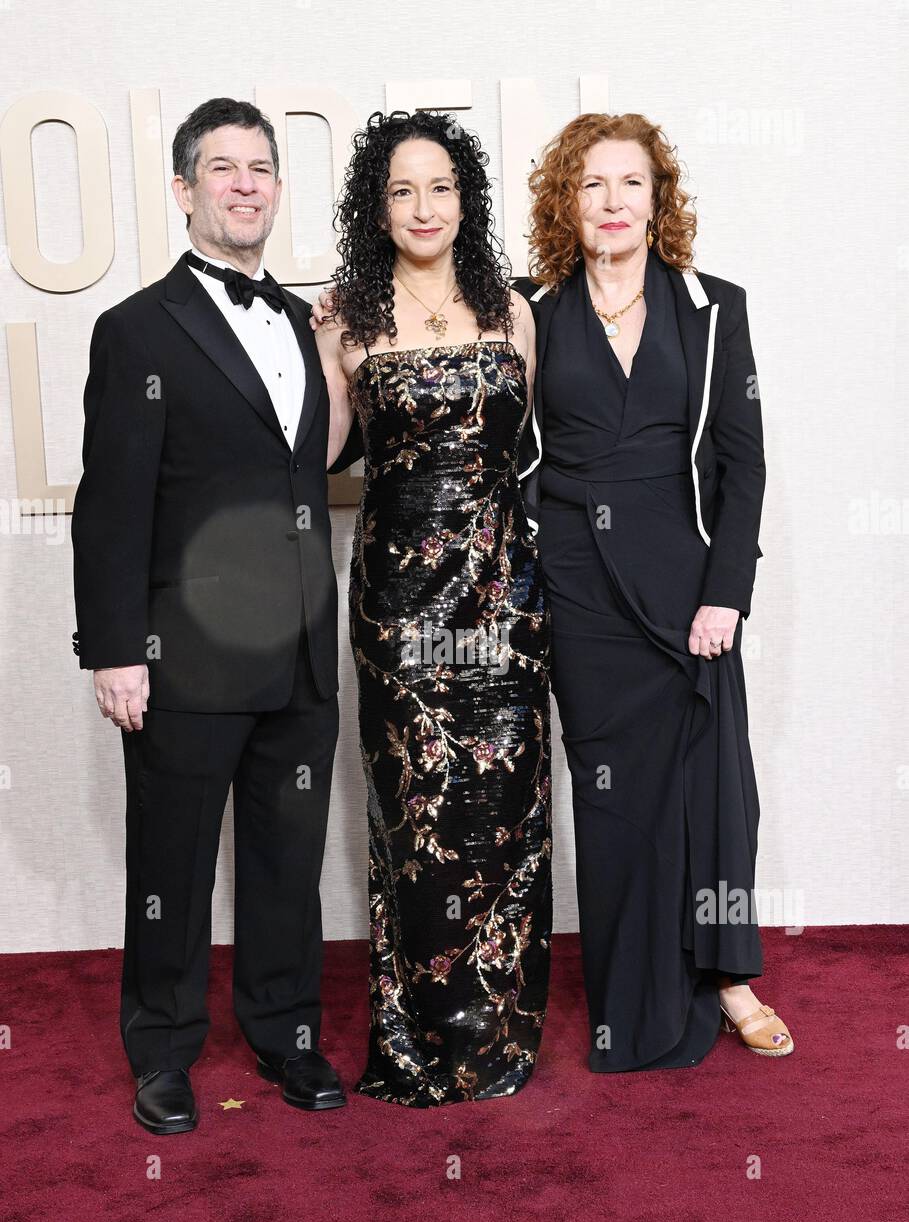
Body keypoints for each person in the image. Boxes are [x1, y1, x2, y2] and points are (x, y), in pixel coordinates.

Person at [71, 97, 351, 1134]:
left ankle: (285, 1033)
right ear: (185, 191)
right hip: (181, 654)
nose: (245, 184)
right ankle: (163, 1051)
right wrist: (113, 649)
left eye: (261, 168)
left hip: (300, 652)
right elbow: (113, 505)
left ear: (278, 189)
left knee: (288, 860)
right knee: (173, 866)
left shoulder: (295, 320)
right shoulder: (136, 328)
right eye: (223, 168)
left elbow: (310, 470)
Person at [512, 112, 793, 1070]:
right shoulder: (531, 311)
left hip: (690, 590)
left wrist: (726, 594)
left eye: (630, 183)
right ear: (567, 202)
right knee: (615, 797)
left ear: (657, 199)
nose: (612, 201)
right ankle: (632, 996)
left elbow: (741, 465)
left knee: (712, 787)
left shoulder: (714, 307)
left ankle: (727, 974)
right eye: (591, 184)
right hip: (582, 591)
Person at [313, 110, 552, 1105]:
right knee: (420, 826)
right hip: (402, 614)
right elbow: (322, 455)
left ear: (468, 201)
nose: (423, 207)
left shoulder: (514, 308)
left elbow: (517, 456)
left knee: (502, 819)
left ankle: (498, 1043)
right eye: (403, 190)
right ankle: (420, 1041)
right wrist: (324, 350)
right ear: (379, 206)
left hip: (504, 604)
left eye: (441, 187)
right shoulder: (351, 318)